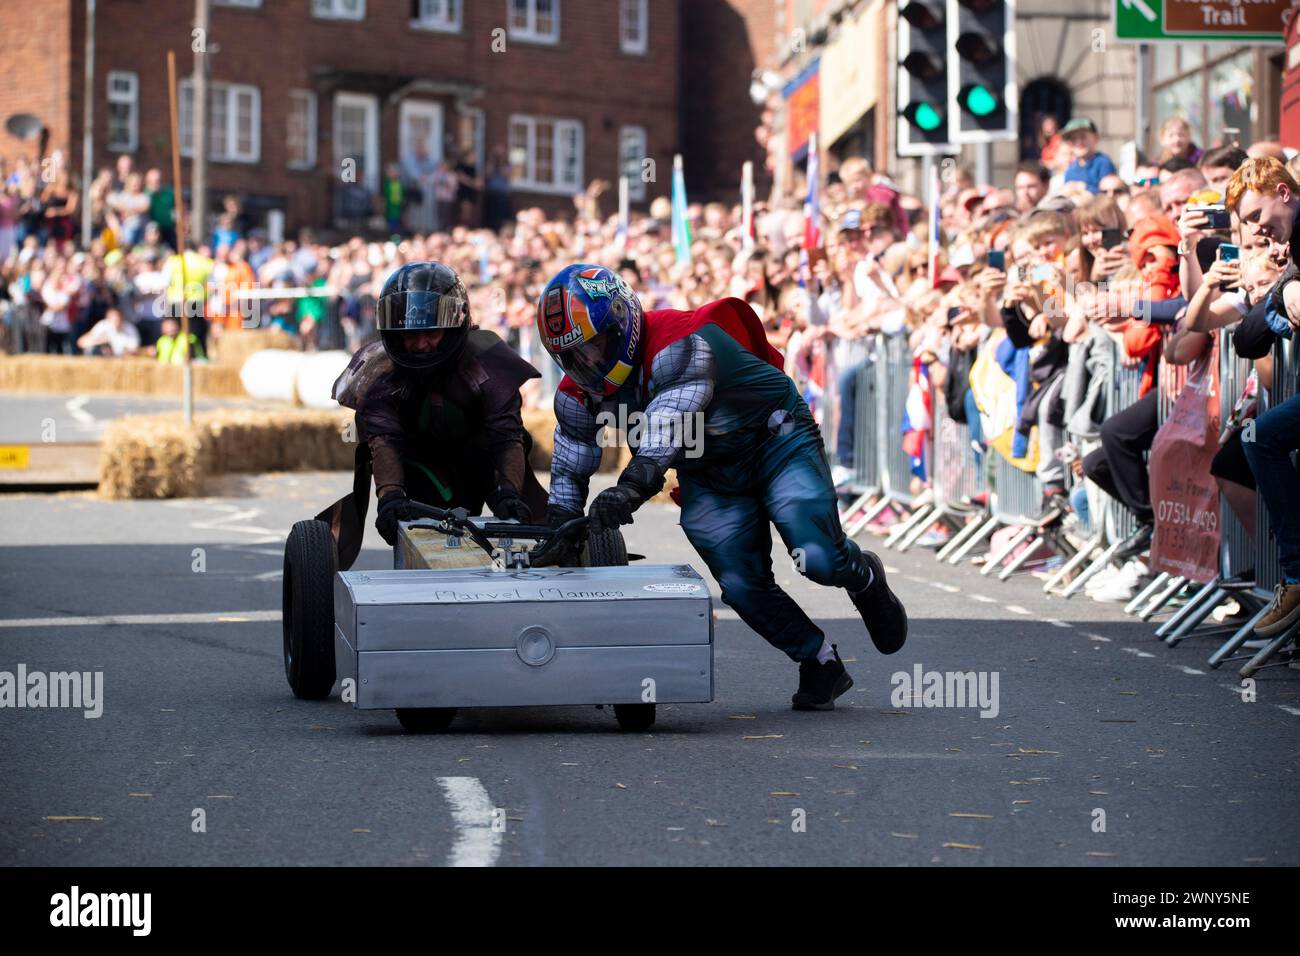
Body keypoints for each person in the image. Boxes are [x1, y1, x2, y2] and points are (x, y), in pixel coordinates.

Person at [535, 263, 908, 711]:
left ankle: (863, 577)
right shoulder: (576, 394)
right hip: (710, 473)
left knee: (819, 557)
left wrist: (627, 490)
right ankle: (819, 660)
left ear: (622, 320)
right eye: (573, 356)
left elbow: (667, 427)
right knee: (740, 583)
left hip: (774, 440)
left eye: (594, 346)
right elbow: (571, 462)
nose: (589, 364)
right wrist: (560, 524)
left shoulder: (680, 344)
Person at [320, 261, 548, 569]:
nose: (420, 345)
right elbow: (383, 441)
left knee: (522, 510)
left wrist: (509, 493)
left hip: (479, 464)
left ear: (455, 324)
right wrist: (390, 497)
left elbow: (507, 437)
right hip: (413, 467)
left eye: (430, 332)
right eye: (409, 335)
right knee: (417, 538)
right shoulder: (376, 373)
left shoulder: (491, 361)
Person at [1060, 118, 1118, 195]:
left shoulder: (1103, 163)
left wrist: (1085, 187)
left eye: (1083, 137)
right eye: (1073, 139)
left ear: (1096, 138)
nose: (1078, 142)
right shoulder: (1071, 170)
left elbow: (1109, 194)